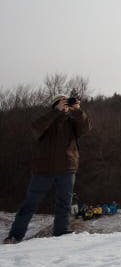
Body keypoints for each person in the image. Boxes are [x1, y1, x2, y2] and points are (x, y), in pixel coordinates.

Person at [4, 95, 91, 244]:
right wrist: (55, 112)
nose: (64, 106)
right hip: (44, 170)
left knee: (64, 204)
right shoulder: (46, 120)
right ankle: (15, 236)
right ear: (55, 105)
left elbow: (86, 128)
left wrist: (77, 110)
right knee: (30, 203)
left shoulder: (72, 122)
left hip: (67, 167)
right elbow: (35, 129)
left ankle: (61, 233)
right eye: (61, 103)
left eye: (66, 103)